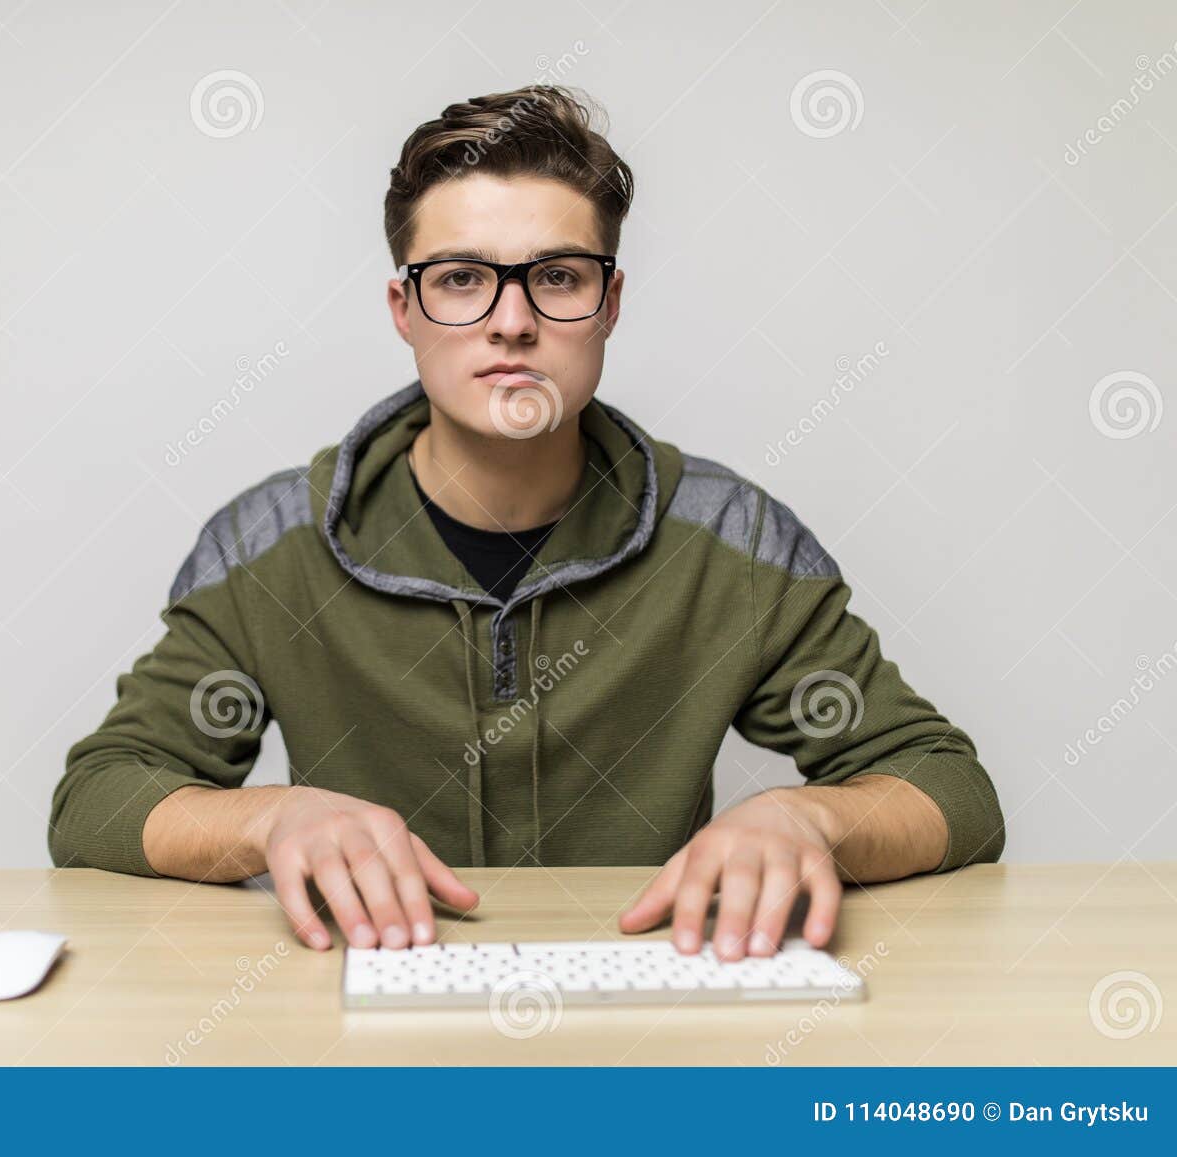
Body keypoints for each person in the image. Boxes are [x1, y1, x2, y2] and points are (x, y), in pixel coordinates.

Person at [49, 85, 1004, 961]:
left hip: (646, 1022)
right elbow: (100, 795)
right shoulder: (266, 545)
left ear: (609, 304)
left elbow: (945, 786)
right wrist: (270, 819)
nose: (511, 322)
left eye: (556, 276)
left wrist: (812, 821)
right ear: (404, 309)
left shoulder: (733, 543)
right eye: (462, 279)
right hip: (366, 1023)